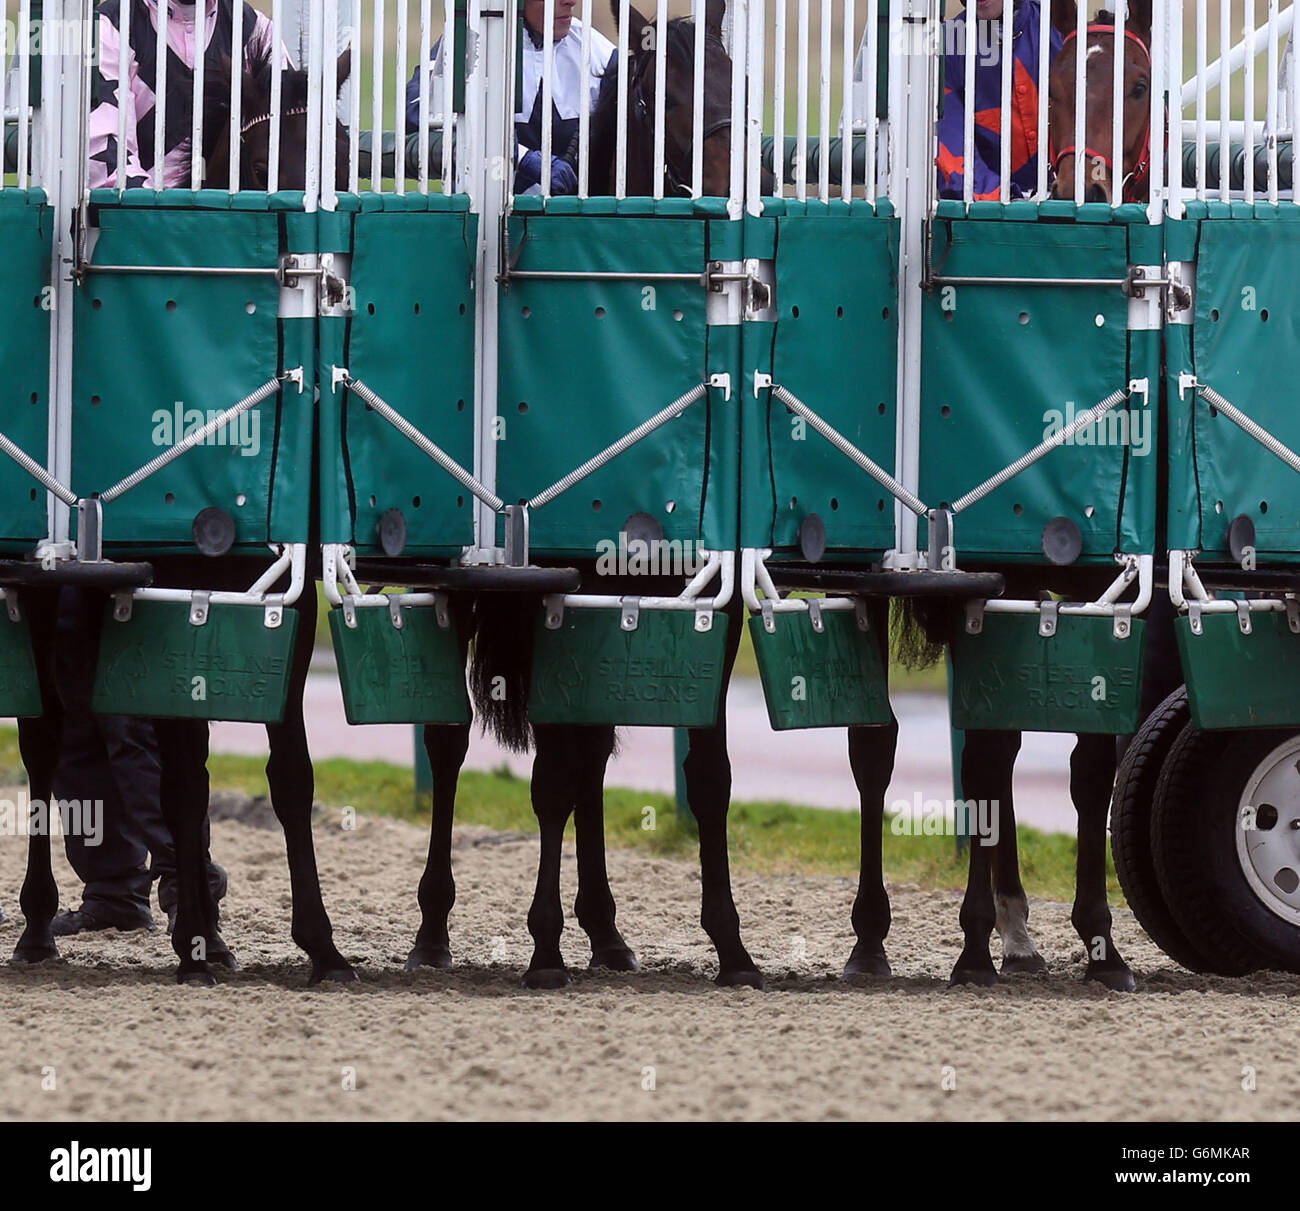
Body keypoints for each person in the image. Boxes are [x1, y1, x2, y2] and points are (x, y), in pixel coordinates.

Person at [406, 0, 616, 195]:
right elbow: (417, 111)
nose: (571, 1)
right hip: (486, 217)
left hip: (573, 221)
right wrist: (518, 156)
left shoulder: (593, 46)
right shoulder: (470, 40)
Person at [88, 0, 282, 189]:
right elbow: (103, 153)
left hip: (230, 213)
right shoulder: (108, 25)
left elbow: (289, 131)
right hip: (137, 214)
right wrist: (156, 208)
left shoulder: (254, 28)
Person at [935, 0, 1062, 200]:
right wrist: (1004, 198)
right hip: (992, 218)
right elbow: (949, 145)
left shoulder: (1059, 25)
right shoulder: (948, 45)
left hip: (1070, 204)